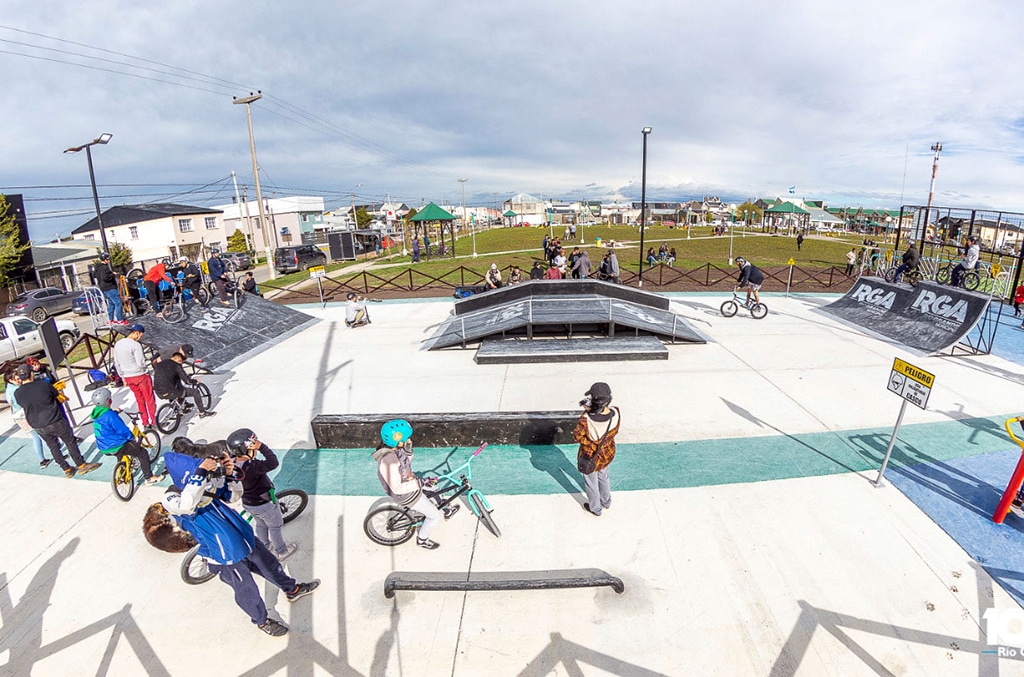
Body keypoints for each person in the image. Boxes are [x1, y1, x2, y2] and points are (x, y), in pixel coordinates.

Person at [162, 448, 320, 636]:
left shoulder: (204, 483)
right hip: (225, 555)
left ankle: (291, 589)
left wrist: (230, 475)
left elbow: (233, 496)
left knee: (271, 565)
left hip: (243, 537)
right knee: (247, 590)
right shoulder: (171, 498)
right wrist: (201, 472)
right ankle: (262, 621)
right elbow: (188, 504)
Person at [14, 363, 100, 478]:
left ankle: (66, 469)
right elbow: (55, 394)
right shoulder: (43, 385)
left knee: (53, 446)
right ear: (31, 374)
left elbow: (22, 404)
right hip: (54, 419)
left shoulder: (17, 393)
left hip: (37, 424)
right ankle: (81, 465)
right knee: (70, 442)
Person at [372, 419, 447, 550]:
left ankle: (445, 507)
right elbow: (397, 488)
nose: (409, 439)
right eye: (406, 438)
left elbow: (405, 466)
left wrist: (408, 451)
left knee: (434, 488)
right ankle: (422, 540)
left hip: (411, 483)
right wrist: (420, 482)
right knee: (434, 516)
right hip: (406, 495)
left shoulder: (396, 449)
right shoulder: (388, 461)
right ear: (397, 440)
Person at [227, 428, 297, 561]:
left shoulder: (233, 463)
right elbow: (273, 463)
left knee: (261, 524)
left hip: (249, 503)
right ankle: (281, 551)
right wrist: (262, 447)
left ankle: (264, 545)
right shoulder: (251, 466)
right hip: (264, 503)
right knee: (275, 527)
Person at [89, 387, 165, 485]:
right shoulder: (111, 416)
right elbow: (122, 430)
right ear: (109, 400)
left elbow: (106, 418)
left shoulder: (97, 414)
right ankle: (149, 477)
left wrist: (114, 412)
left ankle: (122, 471)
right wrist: (132, 438)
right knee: (142, 453)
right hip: (116, 445)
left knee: (121, 453)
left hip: (104, 446)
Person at [573, 382, 621, 517]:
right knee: (604, 477)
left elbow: (577, 437)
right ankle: (606, 501)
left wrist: (587, 411)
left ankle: (595, 508)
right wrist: (593, 409)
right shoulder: (616, 412)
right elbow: (613, 429)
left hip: (590, 456)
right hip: (607, 453)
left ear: (593, 399)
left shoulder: (586, 419)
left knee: (591, 483)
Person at [4, 367, 51, 468]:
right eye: (16, 379)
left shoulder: (8, 389)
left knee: (36, 436)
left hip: (18, 417)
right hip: (25, 415)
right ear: (10, 380)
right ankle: (54, 456)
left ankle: (42, 459)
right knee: (41, 435)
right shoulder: (15, 390)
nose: (19, 381)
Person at [113, 323, 157, 429]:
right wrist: (145, 371)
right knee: (149, 399)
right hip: (140, 375)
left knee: (139, 399)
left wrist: (123, 376)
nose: (140, 338)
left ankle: (145, 422)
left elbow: (117, 363)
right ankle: (154, 421)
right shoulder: (136, 345)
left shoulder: (118, 344)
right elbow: (141, 362)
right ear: (137, 333)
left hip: (128, 377)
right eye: (140, 335)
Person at [153, 350, 216, 418]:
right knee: (195, 392)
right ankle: (202, 413)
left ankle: (179, 410)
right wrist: (194, 380)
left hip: (158, 392)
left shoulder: (160, 364)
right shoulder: (177, 366)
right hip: (170, 391)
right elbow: (187, 381)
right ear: (180, 361)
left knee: (175, 388)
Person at [92, 251, 127, 325]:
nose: (109, 261)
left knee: (111, 304)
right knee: (118, 303)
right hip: (110, 288)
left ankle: (110, 320)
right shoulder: (104, 268)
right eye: (108, 259)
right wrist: (112, 274)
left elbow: (94, 275)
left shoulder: (98, 268)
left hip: (104, 289)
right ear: (105, 260)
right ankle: (120, 320)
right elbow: (105, 277)